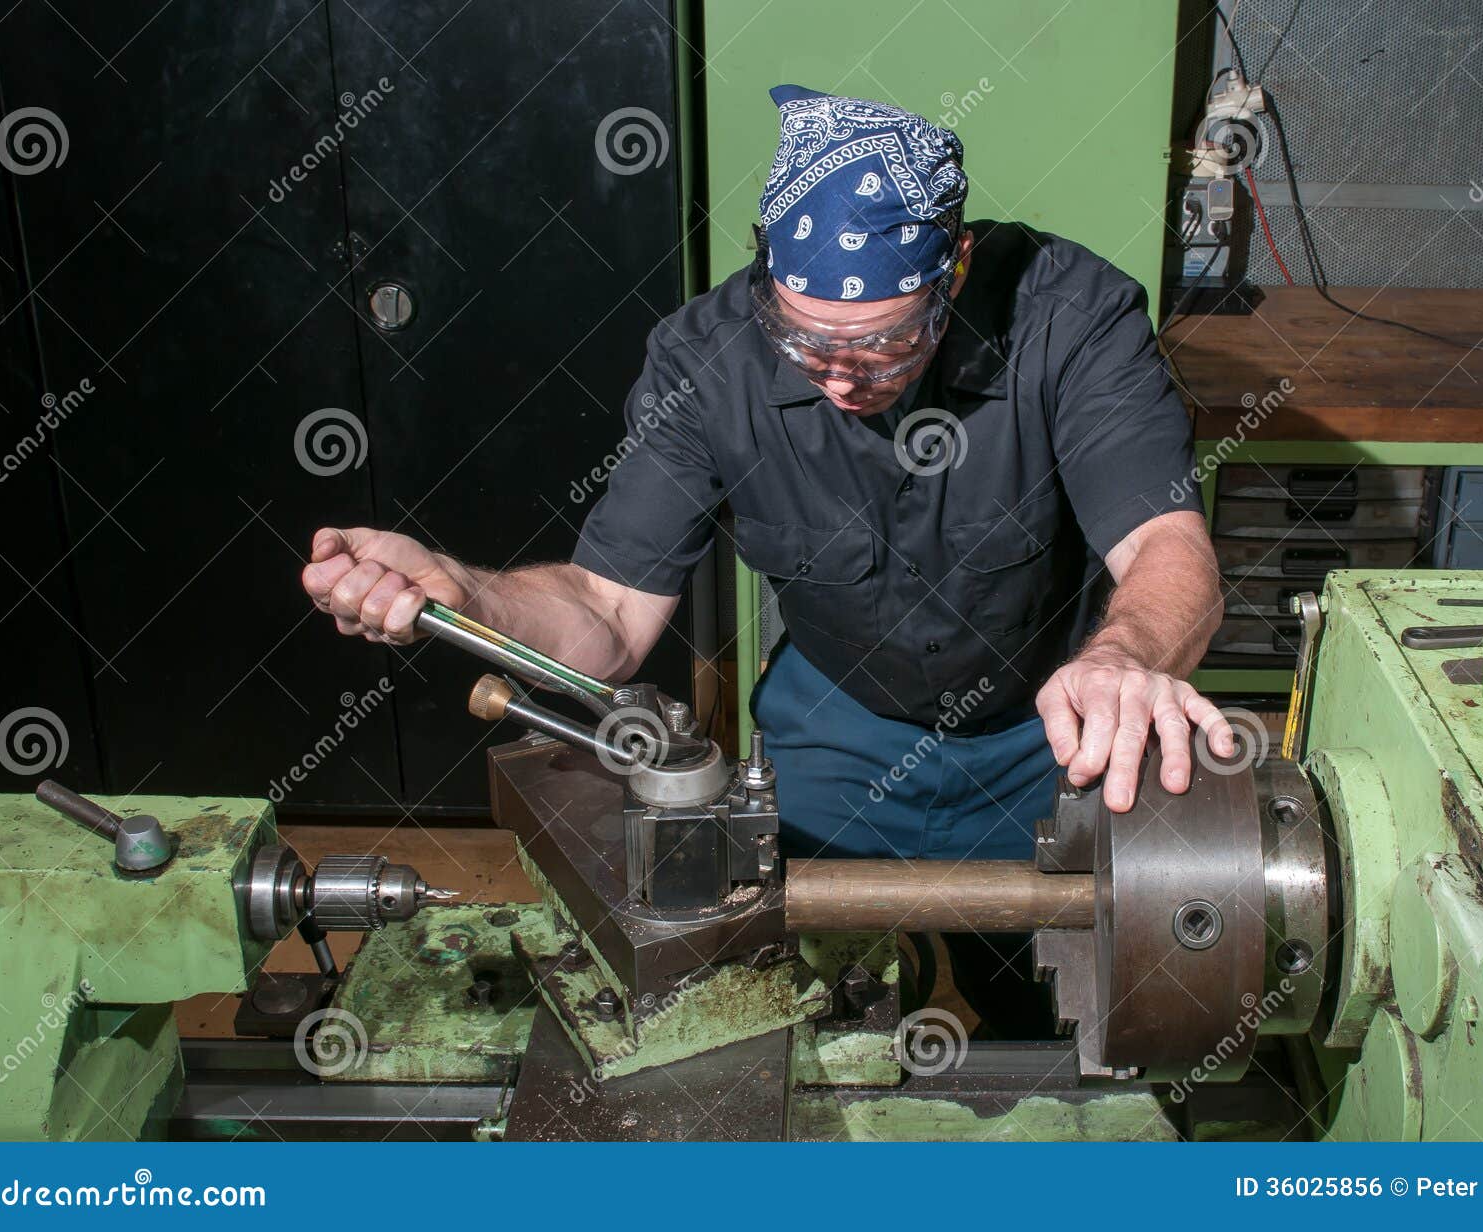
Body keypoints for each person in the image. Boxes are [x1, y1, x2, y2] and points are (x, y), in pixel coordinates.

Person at [301, 85, 1232, 1035]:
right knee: (796, 1024)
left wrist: (1126, 658)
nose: (837, 375)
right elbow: (608, 613)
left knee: (1063, 1019)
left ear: (953, 268)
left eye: (882, 344)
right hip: (838, 738)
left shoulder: (1072, 319)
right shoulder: (707, 365)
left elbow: (1169, 549)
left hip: (1056, 736)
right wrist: (470, 593)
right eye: (801, 339)